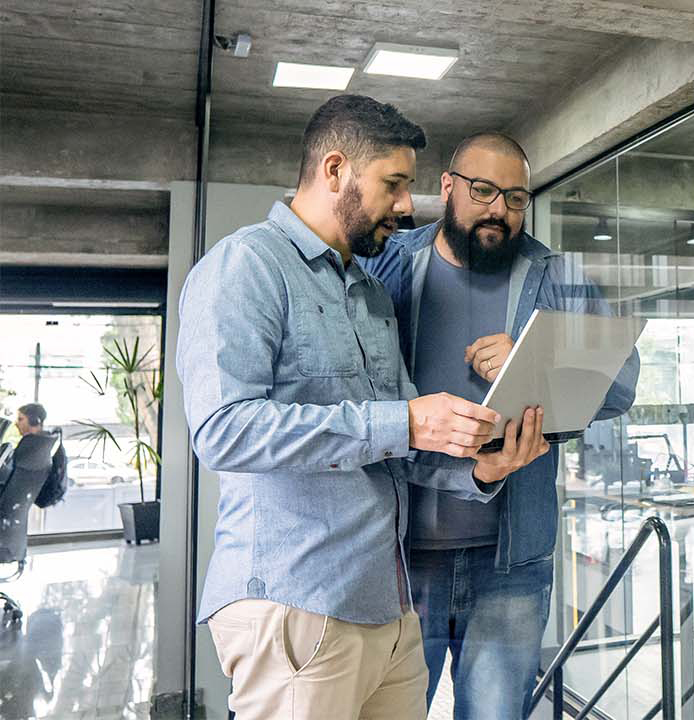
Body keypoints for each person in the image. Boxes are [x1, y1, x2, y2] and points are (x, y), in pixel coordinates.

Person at [176, 97, 549, 720]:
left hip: (390, 609)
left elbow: (399, 445)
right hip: (298, 606)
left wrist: (482, 470)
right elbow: (223, 432)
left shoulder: (371, 292)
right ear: (334, 170)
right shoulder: (246, 266)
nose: (407, 206)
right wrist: (404, 421)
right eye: (393, 184)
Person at [361, 132, 640, 719]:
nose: (500, 210)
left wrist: (532, 362)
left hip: (511, 562)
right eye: (484, 190)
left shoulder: (555, 275)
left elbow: (618, 385)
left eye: (516, 198)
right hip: (400, 555)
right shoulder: (387, 261)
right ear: (447, 188)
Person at [14, 403, 67, 508]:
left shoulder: (33, 445)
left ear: (34, 421)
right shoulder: (46, 441)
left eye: (20, 419)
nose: (16, 424)